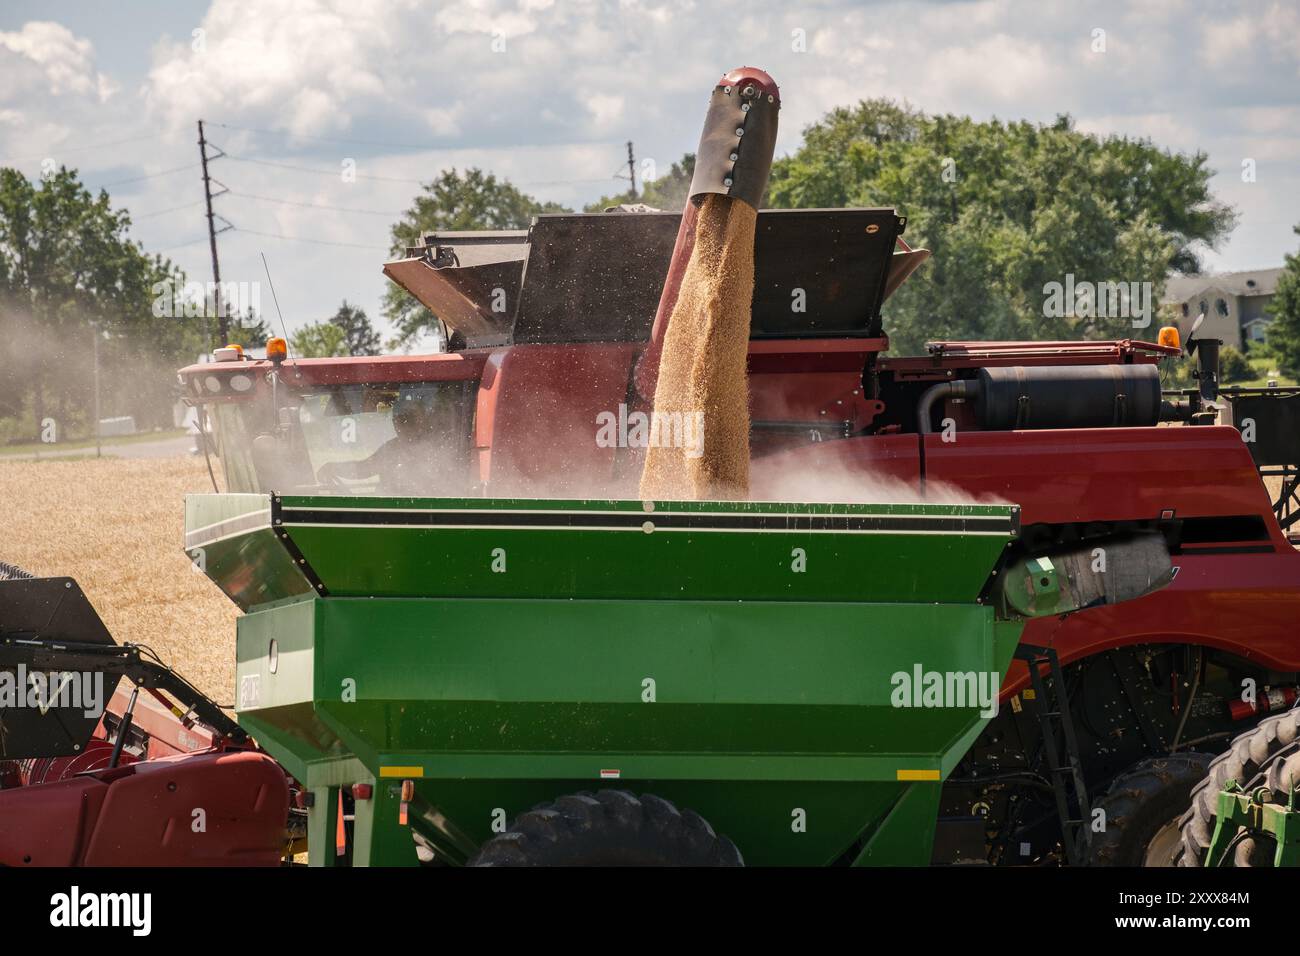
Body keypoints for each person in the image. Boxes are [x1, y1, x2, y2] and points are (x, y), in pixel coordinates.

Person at [316, 400, 438, 495]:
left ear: (423, 421)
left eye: (409, 419)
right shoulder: (392, 448)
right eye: (399, 419)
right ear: (394, 422)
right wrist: (334, 468)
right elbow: (364, 468)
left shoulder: (436, 450)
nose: (403, 424)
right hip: (387, 509)